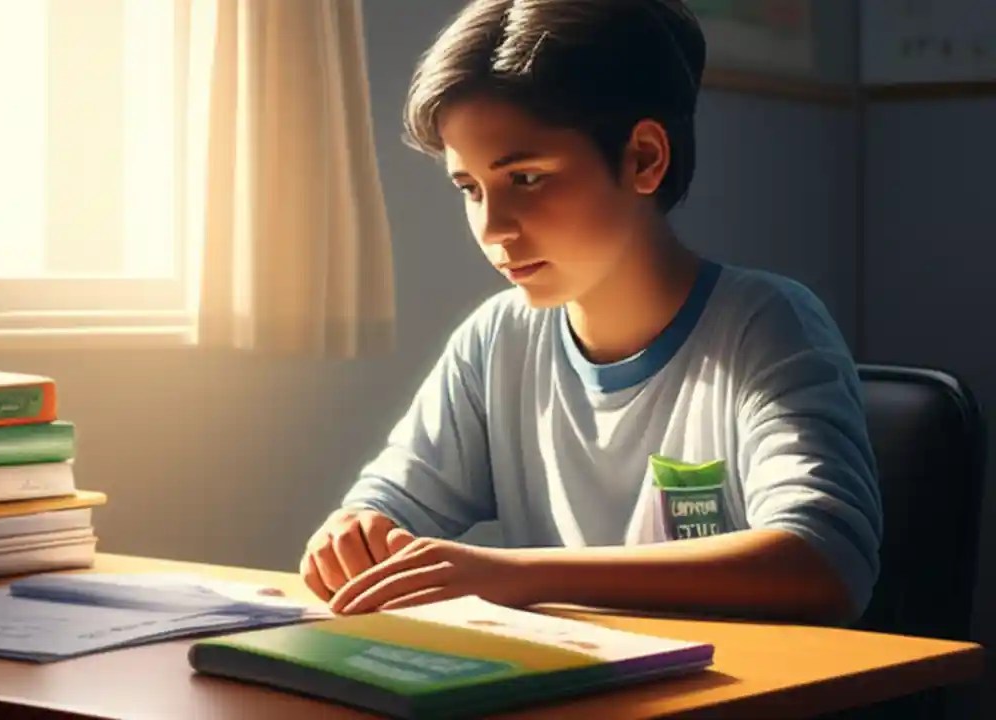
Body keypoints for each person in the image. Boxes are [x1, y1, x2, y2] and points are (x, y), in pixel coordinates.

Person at [299, 0, 882, 625]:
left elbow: (823, 562)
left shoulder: (766, 327)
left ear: (643, 159)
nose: (492, 228)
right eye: (470, 189)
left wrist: (513, 576)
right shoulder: (496, 340)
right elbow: (385, 507)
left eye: (524, 178)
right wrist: (352, 535)